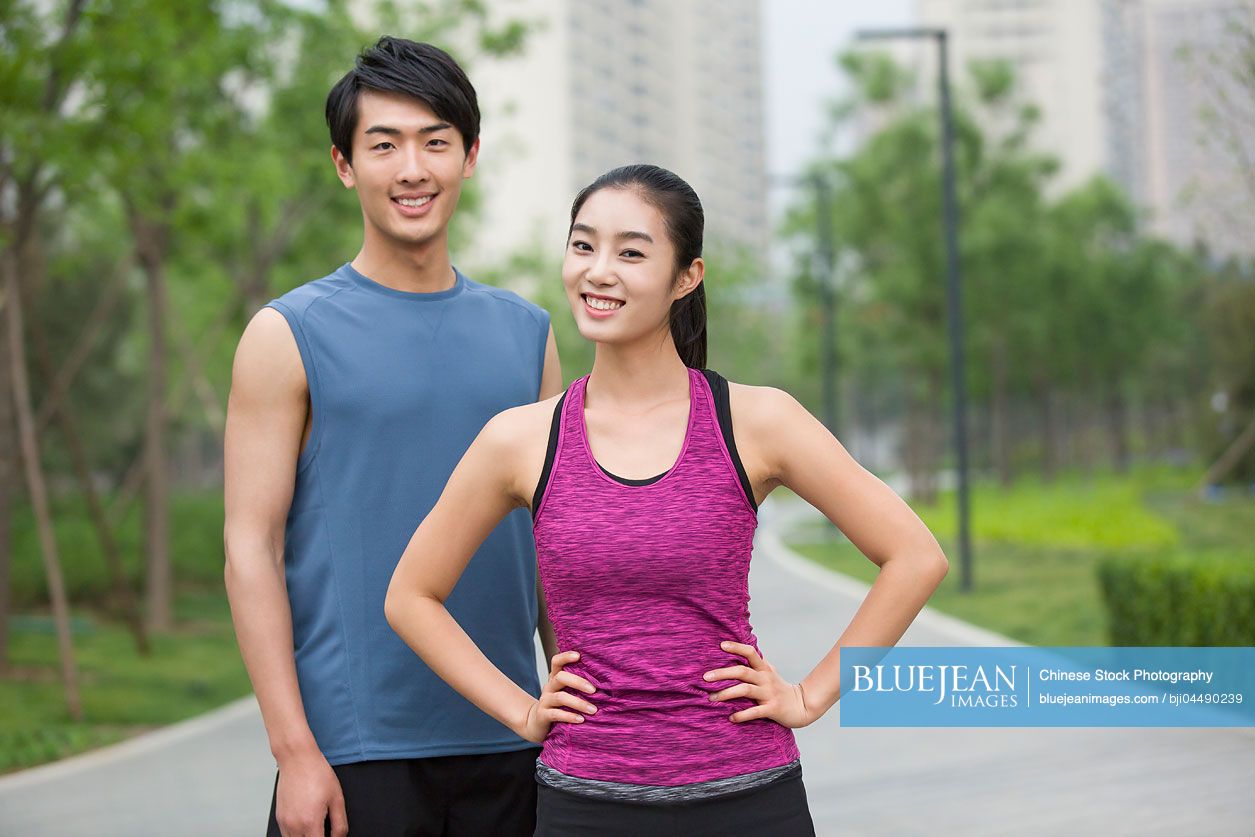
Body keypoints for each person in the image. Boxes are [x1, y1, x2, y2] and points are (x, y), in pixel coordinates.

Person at [385, 164, 949, 836]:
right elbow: (410, 595)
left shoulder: (756, 420)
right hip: (585, 803)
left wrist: (807, 694)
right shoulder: (520, 439)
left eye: (630, 252)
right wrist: (522, 710)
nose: (598, 271)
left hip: (746, 796)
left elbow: (914, 555)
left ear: (687, 276)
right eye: (583, 245)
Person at [223, 36, 562, 837]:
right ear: (345, 165)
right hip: (357, 754)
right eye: (384, 145)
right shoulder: (286, 334)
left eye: (435, 141)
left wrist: (586, 717)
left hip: (514, 737)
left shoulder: (528, 333)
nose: (412, 169)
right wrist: (296, 751)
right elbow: (250, 549)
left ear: (468, 155)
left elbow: (554, 544)